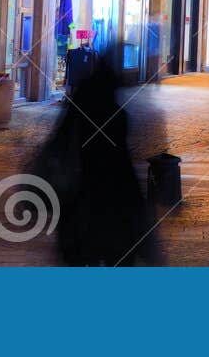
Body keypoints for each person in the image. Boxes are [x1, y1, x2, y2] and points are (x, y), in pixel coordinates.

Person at [30, 51, 158, 266]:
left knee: (81, 256)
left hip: (80, 200)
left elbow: (58, 145)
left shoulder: (76, 110)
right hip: (112, 202)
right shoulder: (117, 114)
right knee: (115, 256)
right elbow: (123, 163)